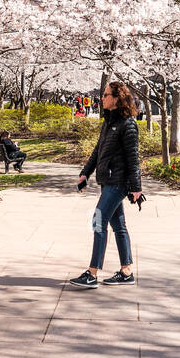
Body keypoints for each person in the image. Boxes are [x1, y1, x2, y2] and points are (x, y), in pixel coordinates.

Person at [70, 81, 142, 288]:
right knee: (119, 226)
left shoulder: (128, 124)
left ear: (117, 98)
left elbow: (133, 158)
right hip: (108, 180)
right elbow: (98, 150)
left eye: (106, 95)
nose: (102, 98)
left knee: (98, 221)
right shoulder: (109, 122)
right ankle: (126, 271)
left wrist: (136, 187)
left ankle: (92, 274)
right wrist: (85, 173)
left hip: (118, 183)